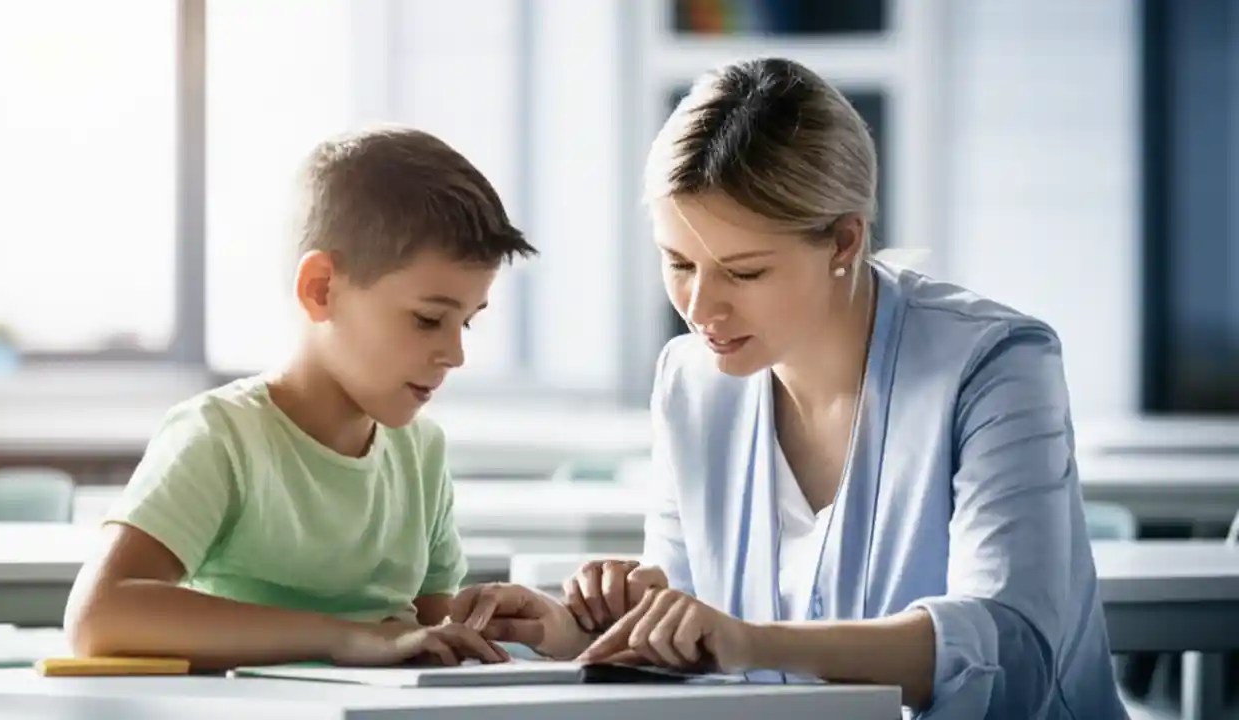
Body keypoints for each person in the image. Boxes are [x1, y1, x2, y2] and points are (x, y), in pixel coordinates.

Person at [451, 58, 1127, 719]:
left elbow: (1012, 649)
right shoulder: (692, 382)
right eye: (677, 262)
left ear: (843, 242)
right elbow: (692, 654)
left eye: (743, 273)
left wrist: (750, 642)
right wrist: (581, 634)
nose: (700, 307)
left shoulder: (996, 364)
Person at [65, 125, 536, 670]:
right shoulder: (222, 437)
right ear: (320, 289)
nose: (454, 354)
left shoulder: (421, 453)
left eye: (467, 324)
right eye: (428, 319)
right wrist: (345, 638)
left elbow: (428, 631)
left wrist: (487, 620)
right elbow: (99, 617)